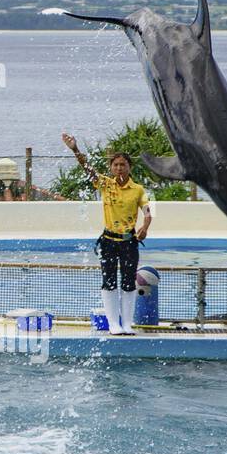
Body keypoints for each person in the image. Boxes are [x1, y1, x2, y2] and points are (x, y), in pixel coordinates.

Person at [61, 133, 153, 335]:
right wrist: (76, 149)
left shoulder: (138, 190)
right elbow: (87, 169)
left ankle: (127, 323)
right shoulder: (105, 184)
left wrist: (144, 228)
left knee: (129, 281)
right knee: (109, 280)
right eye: (116, 165)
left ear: (129, 167)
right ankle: (114, 324)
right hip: (108, 241)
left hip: (129, 241)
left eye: (123, 164)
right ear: (111, 168)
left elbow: (147, 213)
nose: (119, 168)